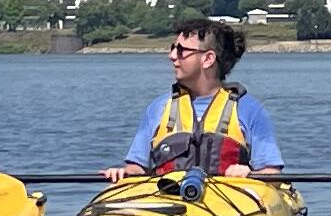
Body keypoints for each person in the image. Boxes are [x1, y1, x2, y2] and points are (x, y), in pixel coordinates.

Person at [117, 16, 280, 190]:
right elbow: (136, 169)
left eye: (181, 50)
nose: (171, 56)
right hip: (166, 200)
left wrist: (250, 174)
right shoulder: (158, 108)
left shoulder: (249, 110)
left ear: (208, 59)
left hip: (229, 201)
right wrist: (122, 174)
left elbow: (272, 174)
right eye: (172, 48)